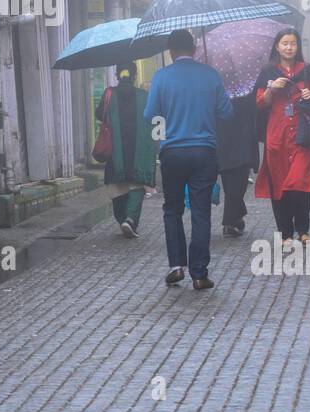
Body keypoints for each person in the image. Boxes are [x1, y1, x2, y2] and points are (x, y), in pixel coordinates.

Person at [144, 29, 232, 290]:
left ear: (170, 51)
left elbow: (150, 116)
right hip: (205, 151)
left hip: (172, 152)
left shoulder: (161, 77)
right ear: (194, 49)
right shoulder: (211, 75)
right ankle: (199, 273)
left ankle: (176, 265)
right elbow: (226, 113)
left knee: (172, 209)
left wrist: (162, 137)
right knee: (201, 211)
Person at [254, 29, 310, 250]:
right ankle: (285, 232)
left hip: (303, 135)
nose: (289, 47)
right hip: (277, 136)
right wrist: (272, 88)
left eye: (293, 43)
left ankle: (303, 229)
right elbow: (261, 102)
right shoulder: (268, 71)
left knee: (301, 182)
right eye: (285, 43)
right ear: (277, 46)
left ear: (298, 46)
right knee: (280, 185)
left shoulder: (307, 70)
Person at [96, 62, 157, 237]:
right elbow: (153, 118)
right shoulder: (144, 96)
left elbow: (99, 114)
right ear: (134, 75)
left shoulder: (109, 94)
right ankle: (130, 220)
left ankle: (124, 218)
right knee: (137, 186)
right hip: (138, 151)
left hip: (115, 152)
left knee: (117, 189)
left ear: (117, 75)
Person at [217, 93, 258, 237]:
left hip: (224, 140)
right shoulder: (245, 89)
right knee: (237, 183)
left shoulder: (218, 87)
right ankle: (229, 222)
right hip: (239, 139)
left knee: (231, 183)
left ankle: (237, 215)